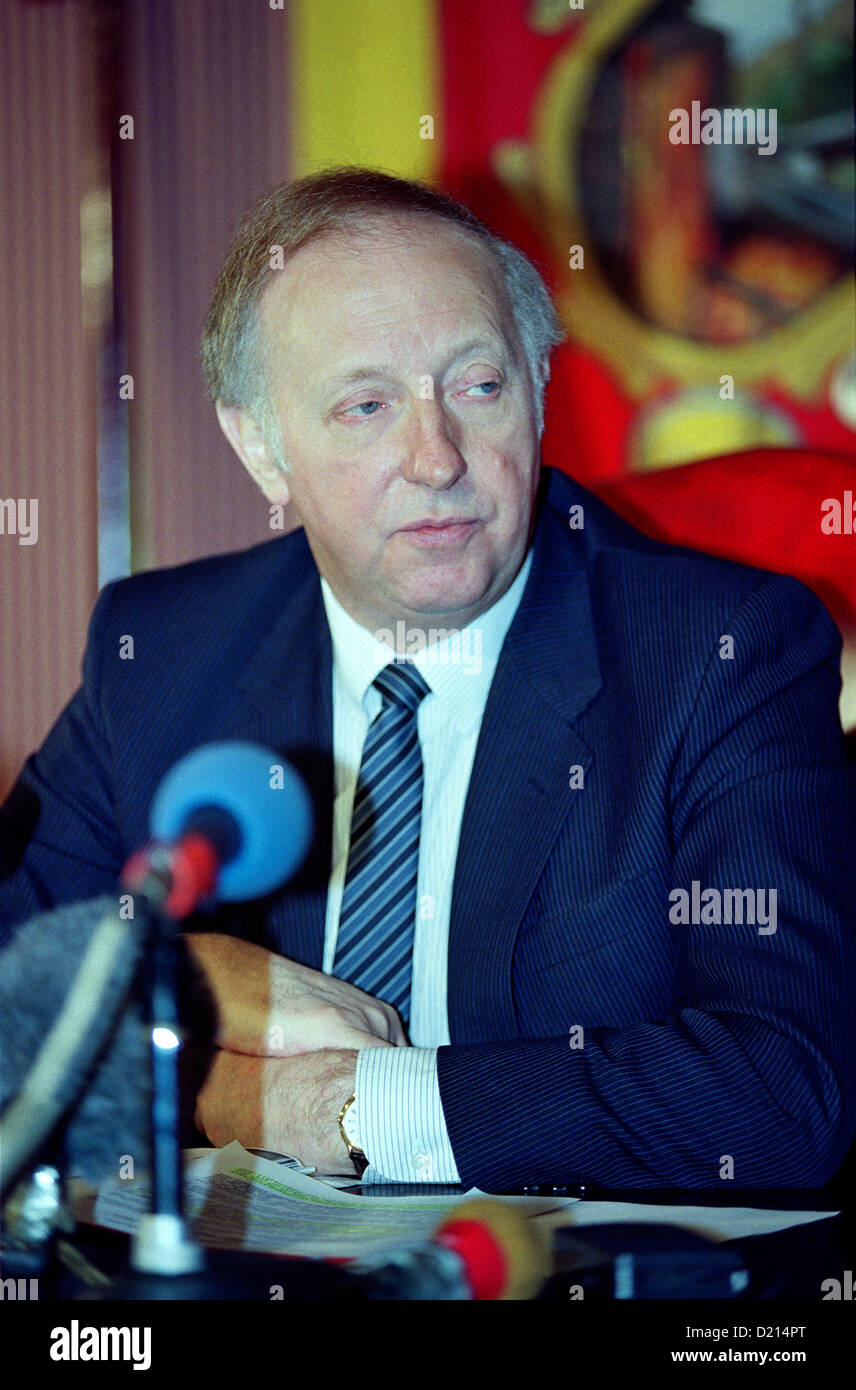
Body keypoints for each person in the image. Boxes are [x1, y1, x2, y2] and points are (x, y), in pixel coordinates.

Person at [1, 169, 854, 1191]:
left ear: (538, 387)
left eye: (477, 385)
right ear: (261, 447)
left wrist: (335, 1109)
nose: (435, 455)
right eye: (364, 405)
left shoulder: (722, 654)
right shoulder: (164, 649)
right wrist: (194, 983)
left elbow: (783, 1091)